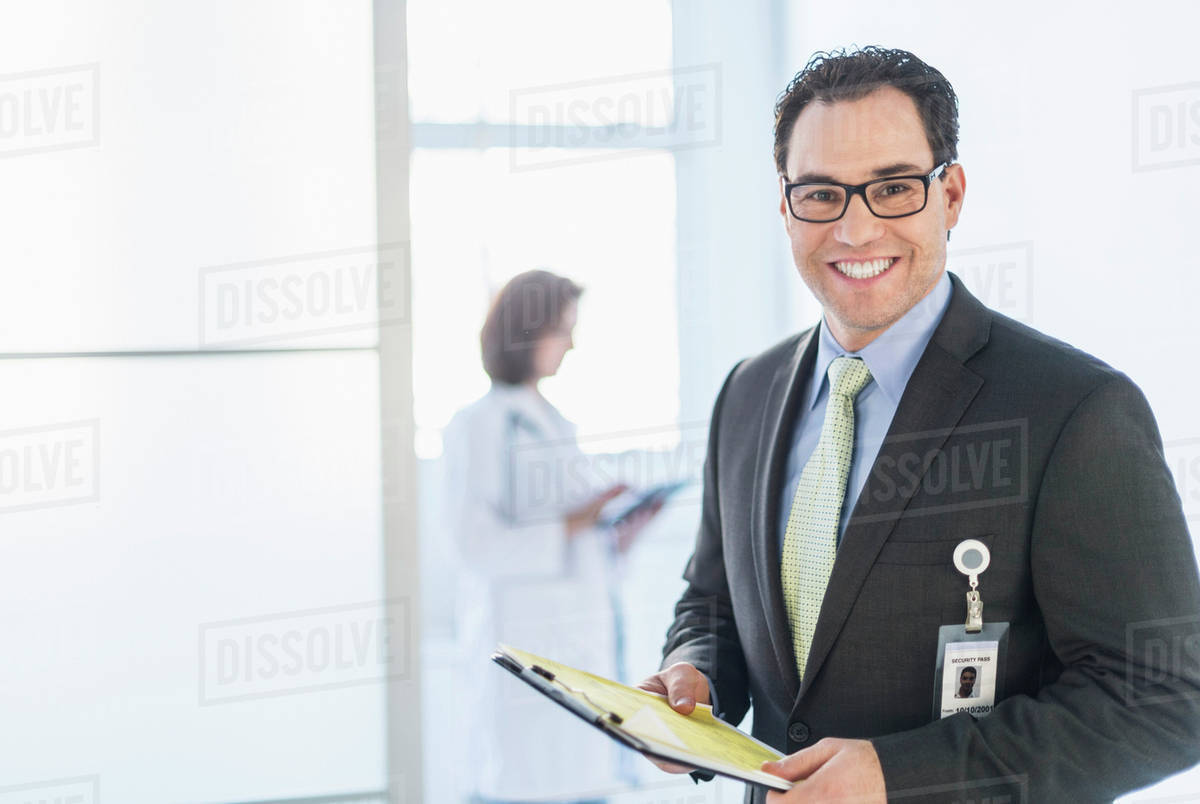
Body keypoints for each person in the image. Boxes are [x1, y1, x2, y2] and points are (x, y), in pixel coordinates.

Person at [637, 47, 1200, 802]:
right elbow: (712, 601)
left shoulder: (1073, 411)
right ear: (785, 204)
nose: (856, 230)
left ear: (952, 195)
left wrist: (901, 777)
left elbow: (1165, 699)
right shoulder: (749, 393)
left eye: (894, 188)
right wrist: (696, 673)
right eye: (821, 195)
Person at [443, 270, 659, 804]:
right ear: (525, 331)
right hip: (523, 653)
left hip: (578, 654)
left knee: (582, 781)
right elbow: (474, 545)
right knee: (527, 782)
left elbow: (577, 549)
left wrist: (616, 536)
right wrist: (576, 523)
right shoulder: (479, 424)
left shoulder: (555, 422)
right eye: (562, 329)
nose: (571, 344)